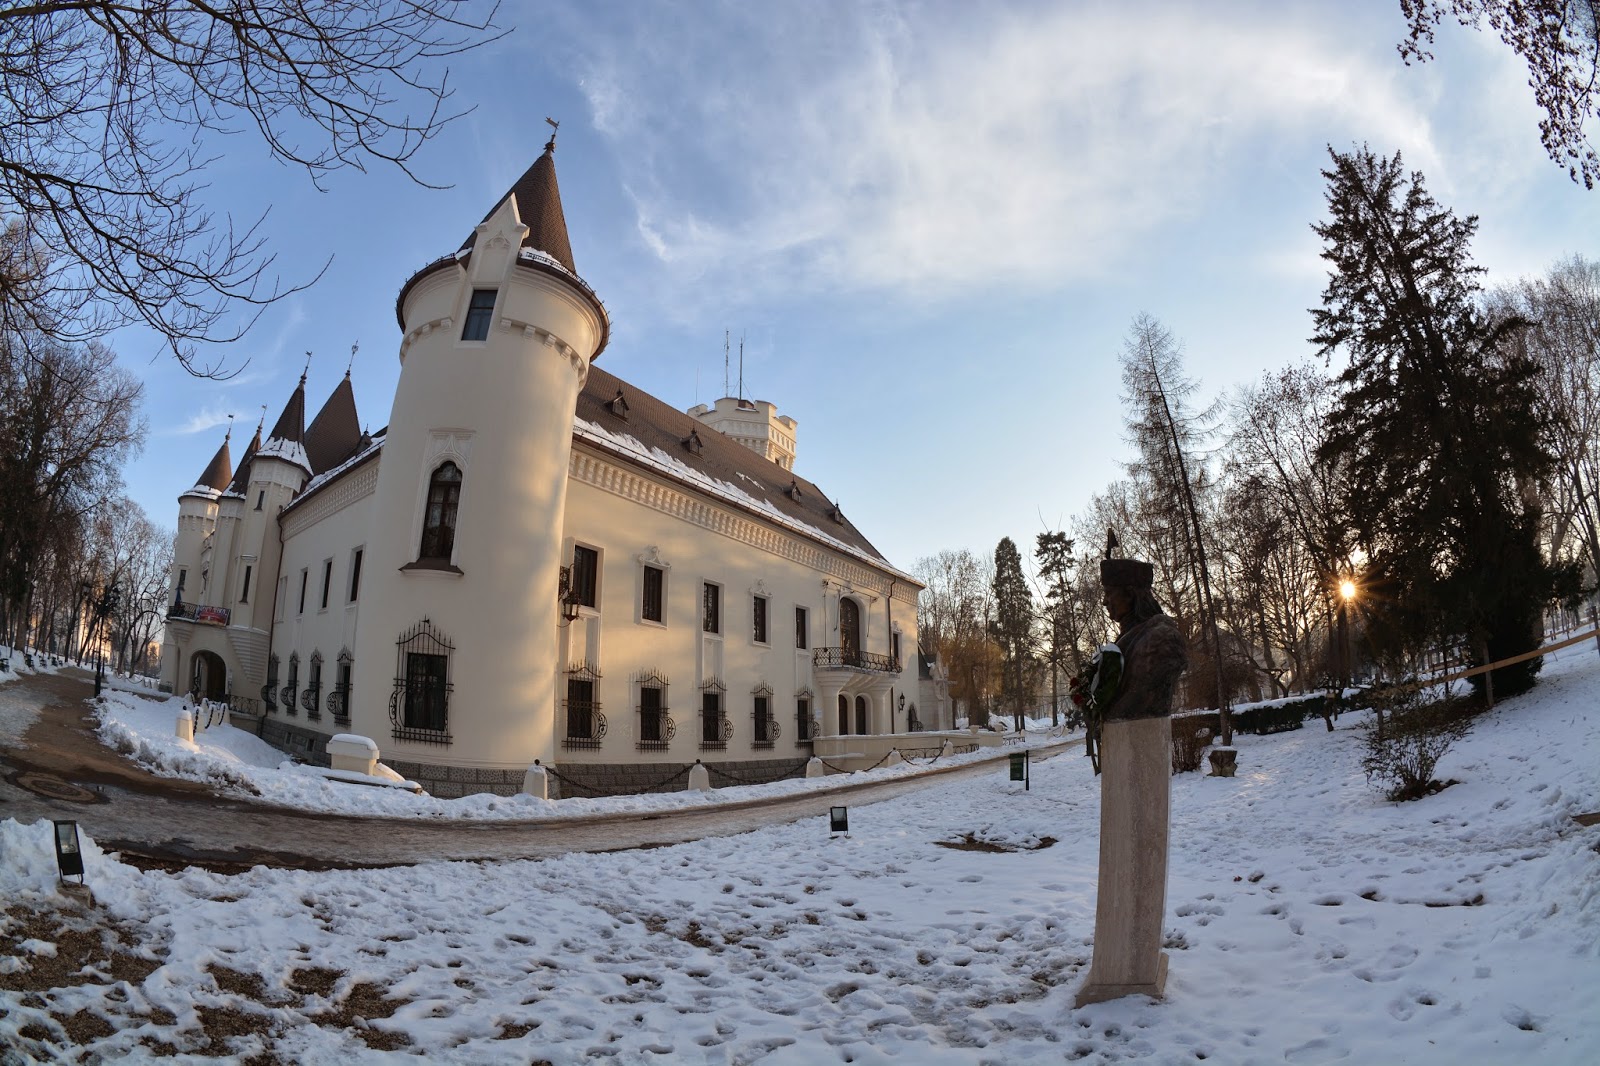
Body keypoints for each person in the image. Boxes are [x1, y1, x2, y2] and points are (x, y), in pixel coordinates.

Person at [1075, 557, 1188, 1007]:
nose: (1106, 601)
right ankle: (1118, 966)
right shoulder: (1126, 640)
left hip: (1138, 735)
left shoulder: (1162, 638)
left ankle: (1130, 970)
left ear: (1134, 594)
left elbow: (1144, 687)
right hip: (1124, 738)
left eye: (1112, 593)